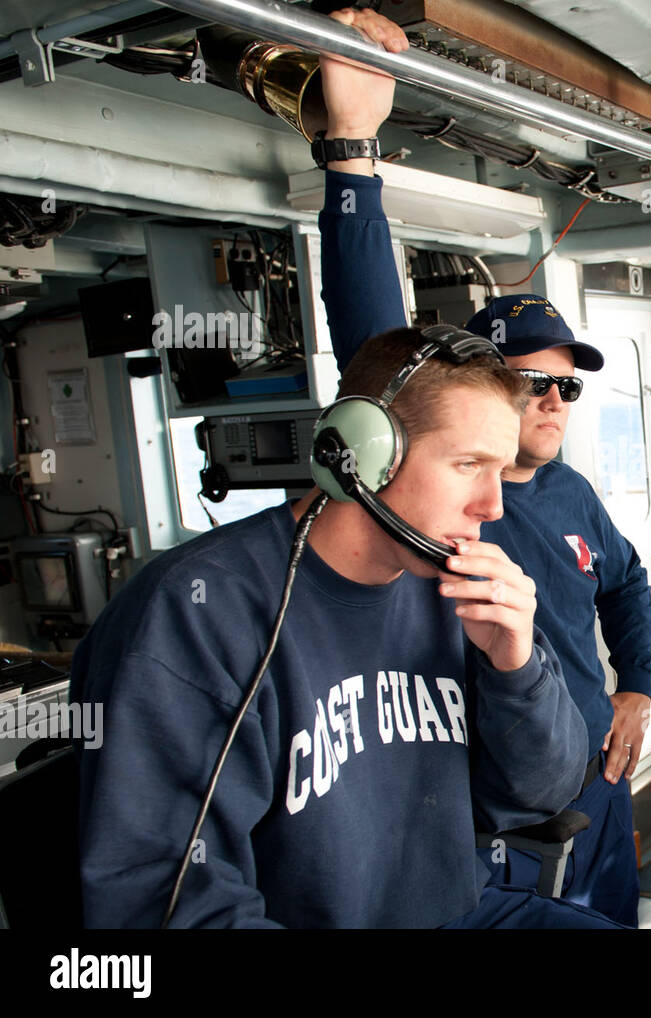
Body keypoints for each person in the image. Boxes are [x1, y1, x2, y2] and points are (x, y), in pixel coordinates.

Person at [70, 323, 622, 929]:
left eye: (501, 469)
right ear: (360, 453)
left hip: (463, 911)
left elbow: (544, 792)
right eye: (469, 464)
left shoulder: (452, 581)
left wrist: (515, 667)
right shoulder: (196, 613)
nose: (493, 506)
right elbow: (162, 900)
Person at [310, 6, 651, 926]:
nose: (552, 402)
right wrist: (352, 159)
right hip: (497, 817)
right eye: (530, 385)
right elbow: (377, 347)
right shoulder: (430, 518)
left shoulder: (574, 494)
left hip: (592, 774)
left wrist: (637, 686)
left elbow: (628, 584)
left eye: (567, 390)